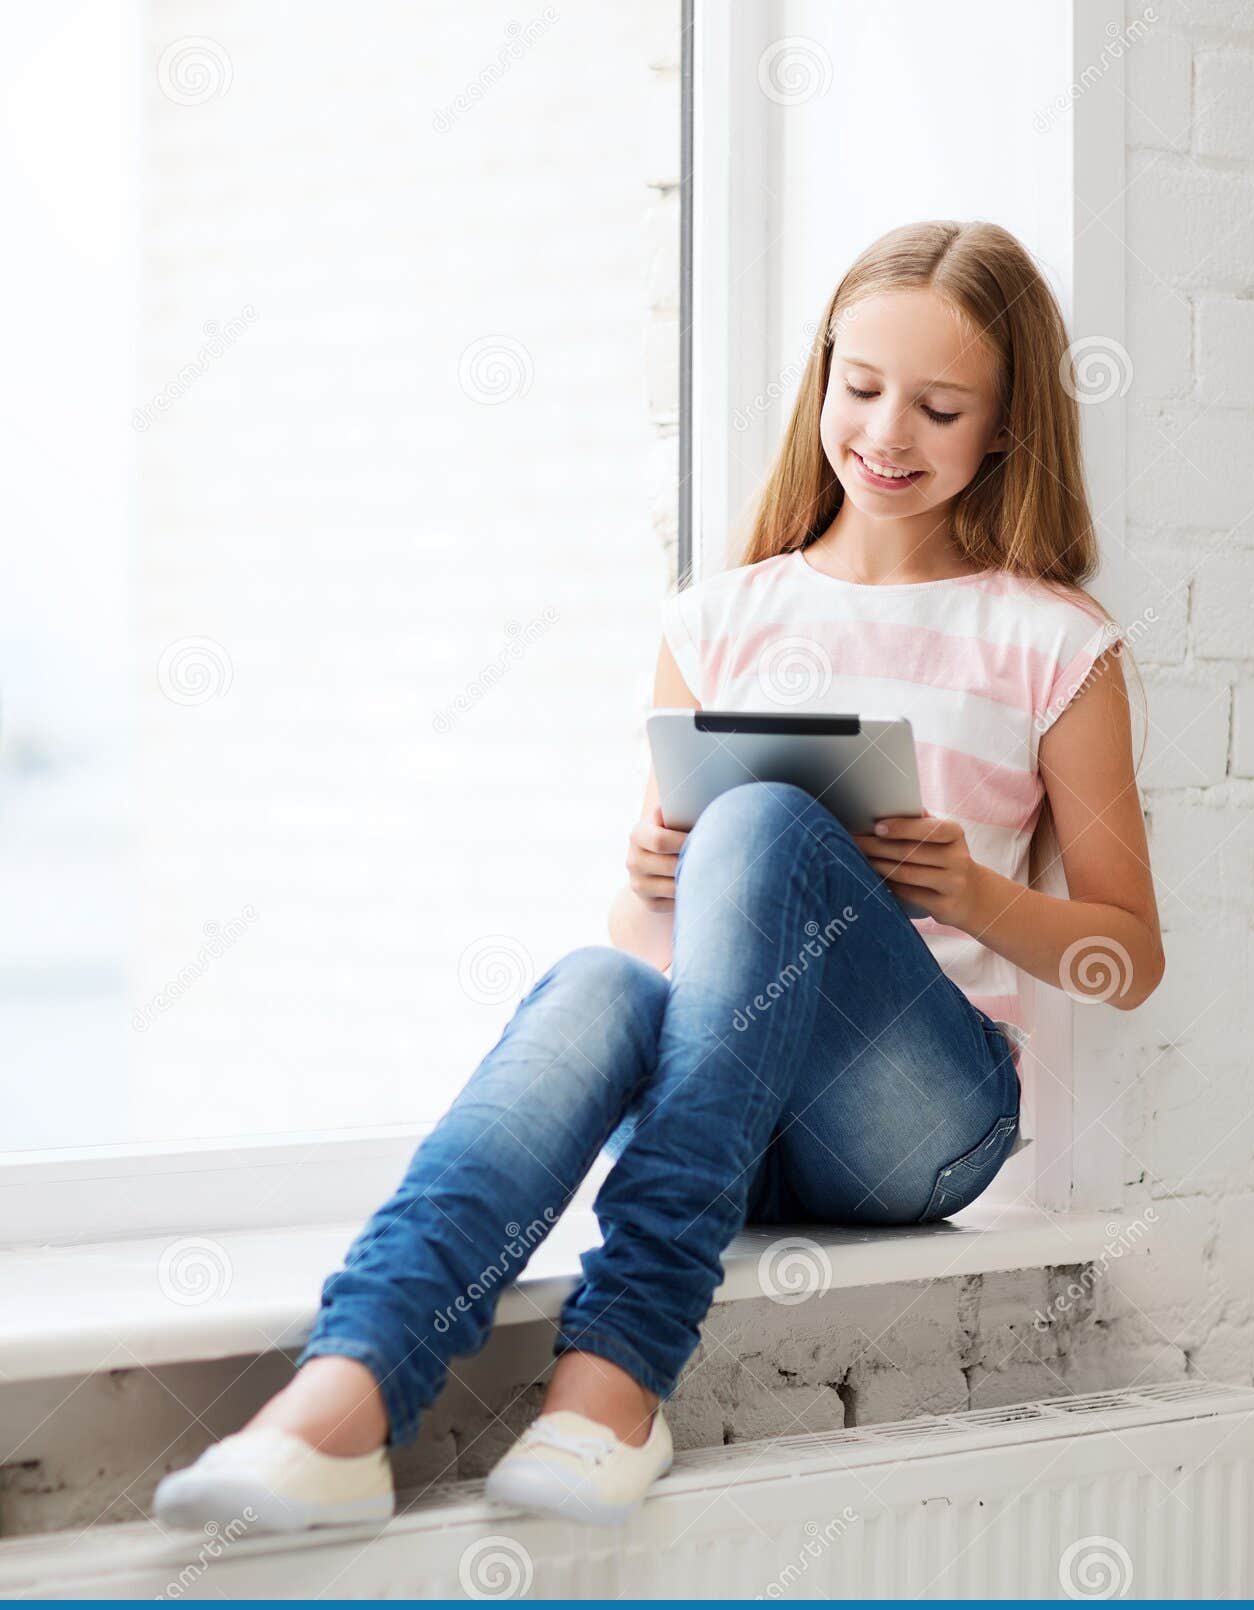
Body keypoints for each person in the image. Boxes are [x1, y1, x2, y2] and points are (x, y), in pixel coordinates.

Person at [153, 219, 1165, 1537]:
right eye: (860, 387)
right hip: (726, 1121)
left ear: (1007, 426)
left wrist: (972, 893)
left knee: (764, 824)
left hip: (912, 1124)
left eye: (938, 407)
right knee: (594, 980)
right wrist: (647, 882)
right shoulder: (719, 619)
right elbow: (649, 949)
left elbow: (1128, 957)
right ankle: (339, 1404)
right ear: (821, 382)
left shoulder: (1055, 641)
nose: (885, 433)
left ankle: (621, 1372)